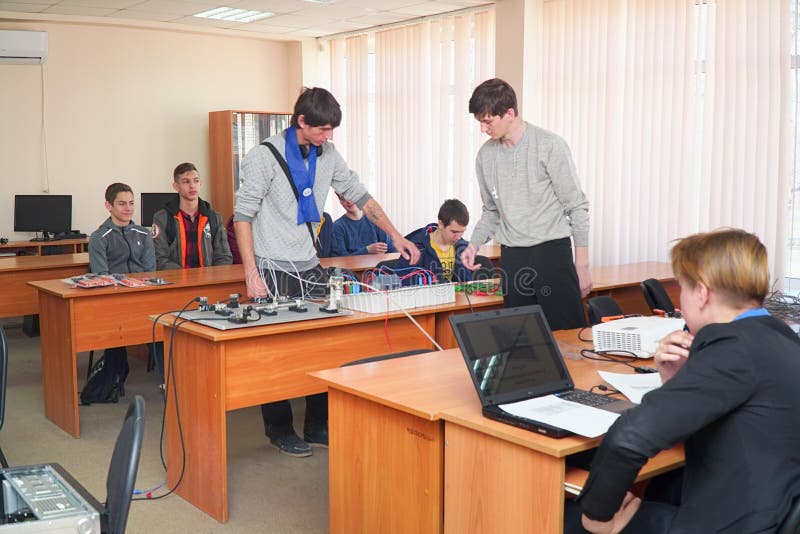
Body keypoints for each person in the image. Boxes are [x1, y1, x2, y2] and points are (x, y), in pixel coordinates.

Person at [566, 229, 800, 533]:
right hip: (768, 507)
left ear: (702, 293)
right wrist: (674, 380)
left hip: (736, 522)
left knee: (567, 517)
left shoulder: (732, 350)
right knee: (659, 486)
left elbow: (628, 440)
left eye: (683, 288)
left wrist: (596, 517)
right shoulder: (779, 336)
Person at [233, 87, 419, 457]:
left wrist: (397, 235)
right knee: (278, 353)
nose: (329, 136)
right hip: (272, 267)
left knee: (324, 346)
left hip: (310, 265)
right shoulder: (263, 156)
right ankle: (279, 428)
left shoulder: (328, 154)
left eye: (332, 129)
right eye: (323, 129)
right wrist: (251, 274)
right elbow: (243, 216)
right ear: (301, 122)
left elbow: (361, 197)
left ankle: (318, 424)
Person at [461, 78, 591, 330]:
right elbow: (491, 211)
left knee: (568, 336)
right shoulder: (486, 156)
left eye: (488, 121)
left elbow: (577, 206)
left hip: (552, 252)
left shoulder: (550, 145)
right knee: (525, 341)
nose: (483, 129)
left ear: (509, 113)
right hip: (513, 257)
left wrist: (582, 264)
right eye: (480, 122)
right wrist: (473, 244)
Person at [88, 182, 156, 391]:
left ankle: (168, 380)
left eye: (131, 203)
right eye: (122, 204)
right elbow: (102, 275)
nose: (128, 208)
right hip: (115, 299)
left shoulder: (144, 234)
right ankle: (114, 376)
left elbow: (150, 271)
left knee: (164, 327)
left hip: (143, 295)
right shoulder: (99, 238)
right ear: (109, 206)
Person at [152, 162, 232, 270]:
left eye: (196, 181)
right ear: (176, 186)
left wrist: (213, 278)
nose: (192, 185)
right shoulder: (162, 218)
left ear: (200, 184)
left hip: (209, 282)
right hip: (177, 281)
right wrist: (186, 278)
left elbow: (224, 256)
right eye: (186, 182)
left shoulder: (214, 217)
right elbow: (160, 258)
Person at [395, 199, 473, 283]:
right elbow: (401, 280)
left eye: (462, 232)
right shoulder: (416, 247)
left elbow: (467, 283)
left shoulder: (462, 247)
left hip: (455, 295)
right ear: (441, 224)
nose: (458, 237)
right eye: (454, 232)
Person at [331, 193, 396, 256]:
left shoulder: (375, 220)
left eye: (351, 196)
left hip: (378, 266)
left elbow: (391, 249)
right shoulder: (337, 227)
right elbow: (341, 259)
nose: (348, 201)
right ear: (341, 202)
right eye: (343, 198)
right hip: (350, 267)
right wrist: (367, 250)